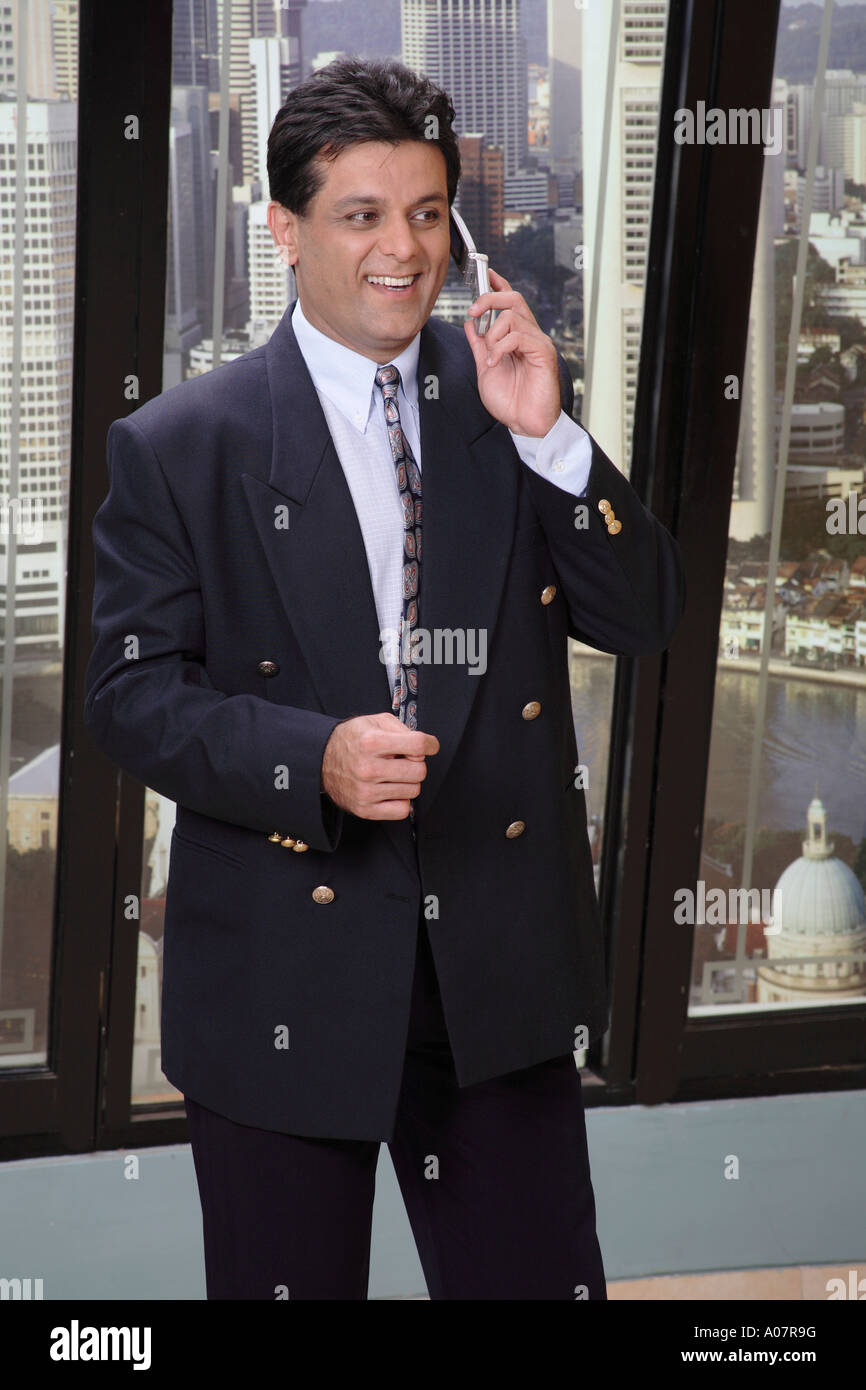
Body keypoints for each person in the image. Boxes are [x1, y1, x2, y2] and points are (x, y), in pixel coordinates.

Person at [83, 55, 686, 1300]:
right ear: (285, 229)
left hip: (492, 963)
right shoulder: (179, 446)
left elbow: (642, 618)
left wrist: (556, 441)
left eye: (424, 213)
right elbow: (131, 697)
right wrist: (314, 760)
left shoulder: (502, 397)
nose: (399, 251)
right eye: (360, 216)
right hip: (280, 973)